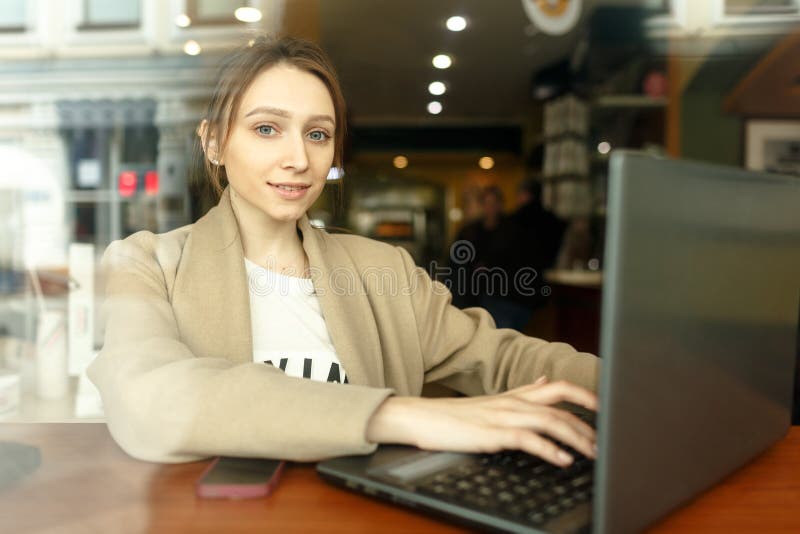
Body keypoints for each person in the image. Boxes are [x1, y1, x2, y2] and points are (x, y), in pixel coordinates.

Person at [88, 35, 599, 467]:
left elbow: (503, 359)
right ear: (215, 143)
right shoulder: (146, 265)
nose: (298, 158)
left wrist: (639, 386)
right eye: (267, 128)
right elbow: (146, 397)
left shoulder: (384, 269)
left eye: (318, 134)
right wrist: (397, 415)